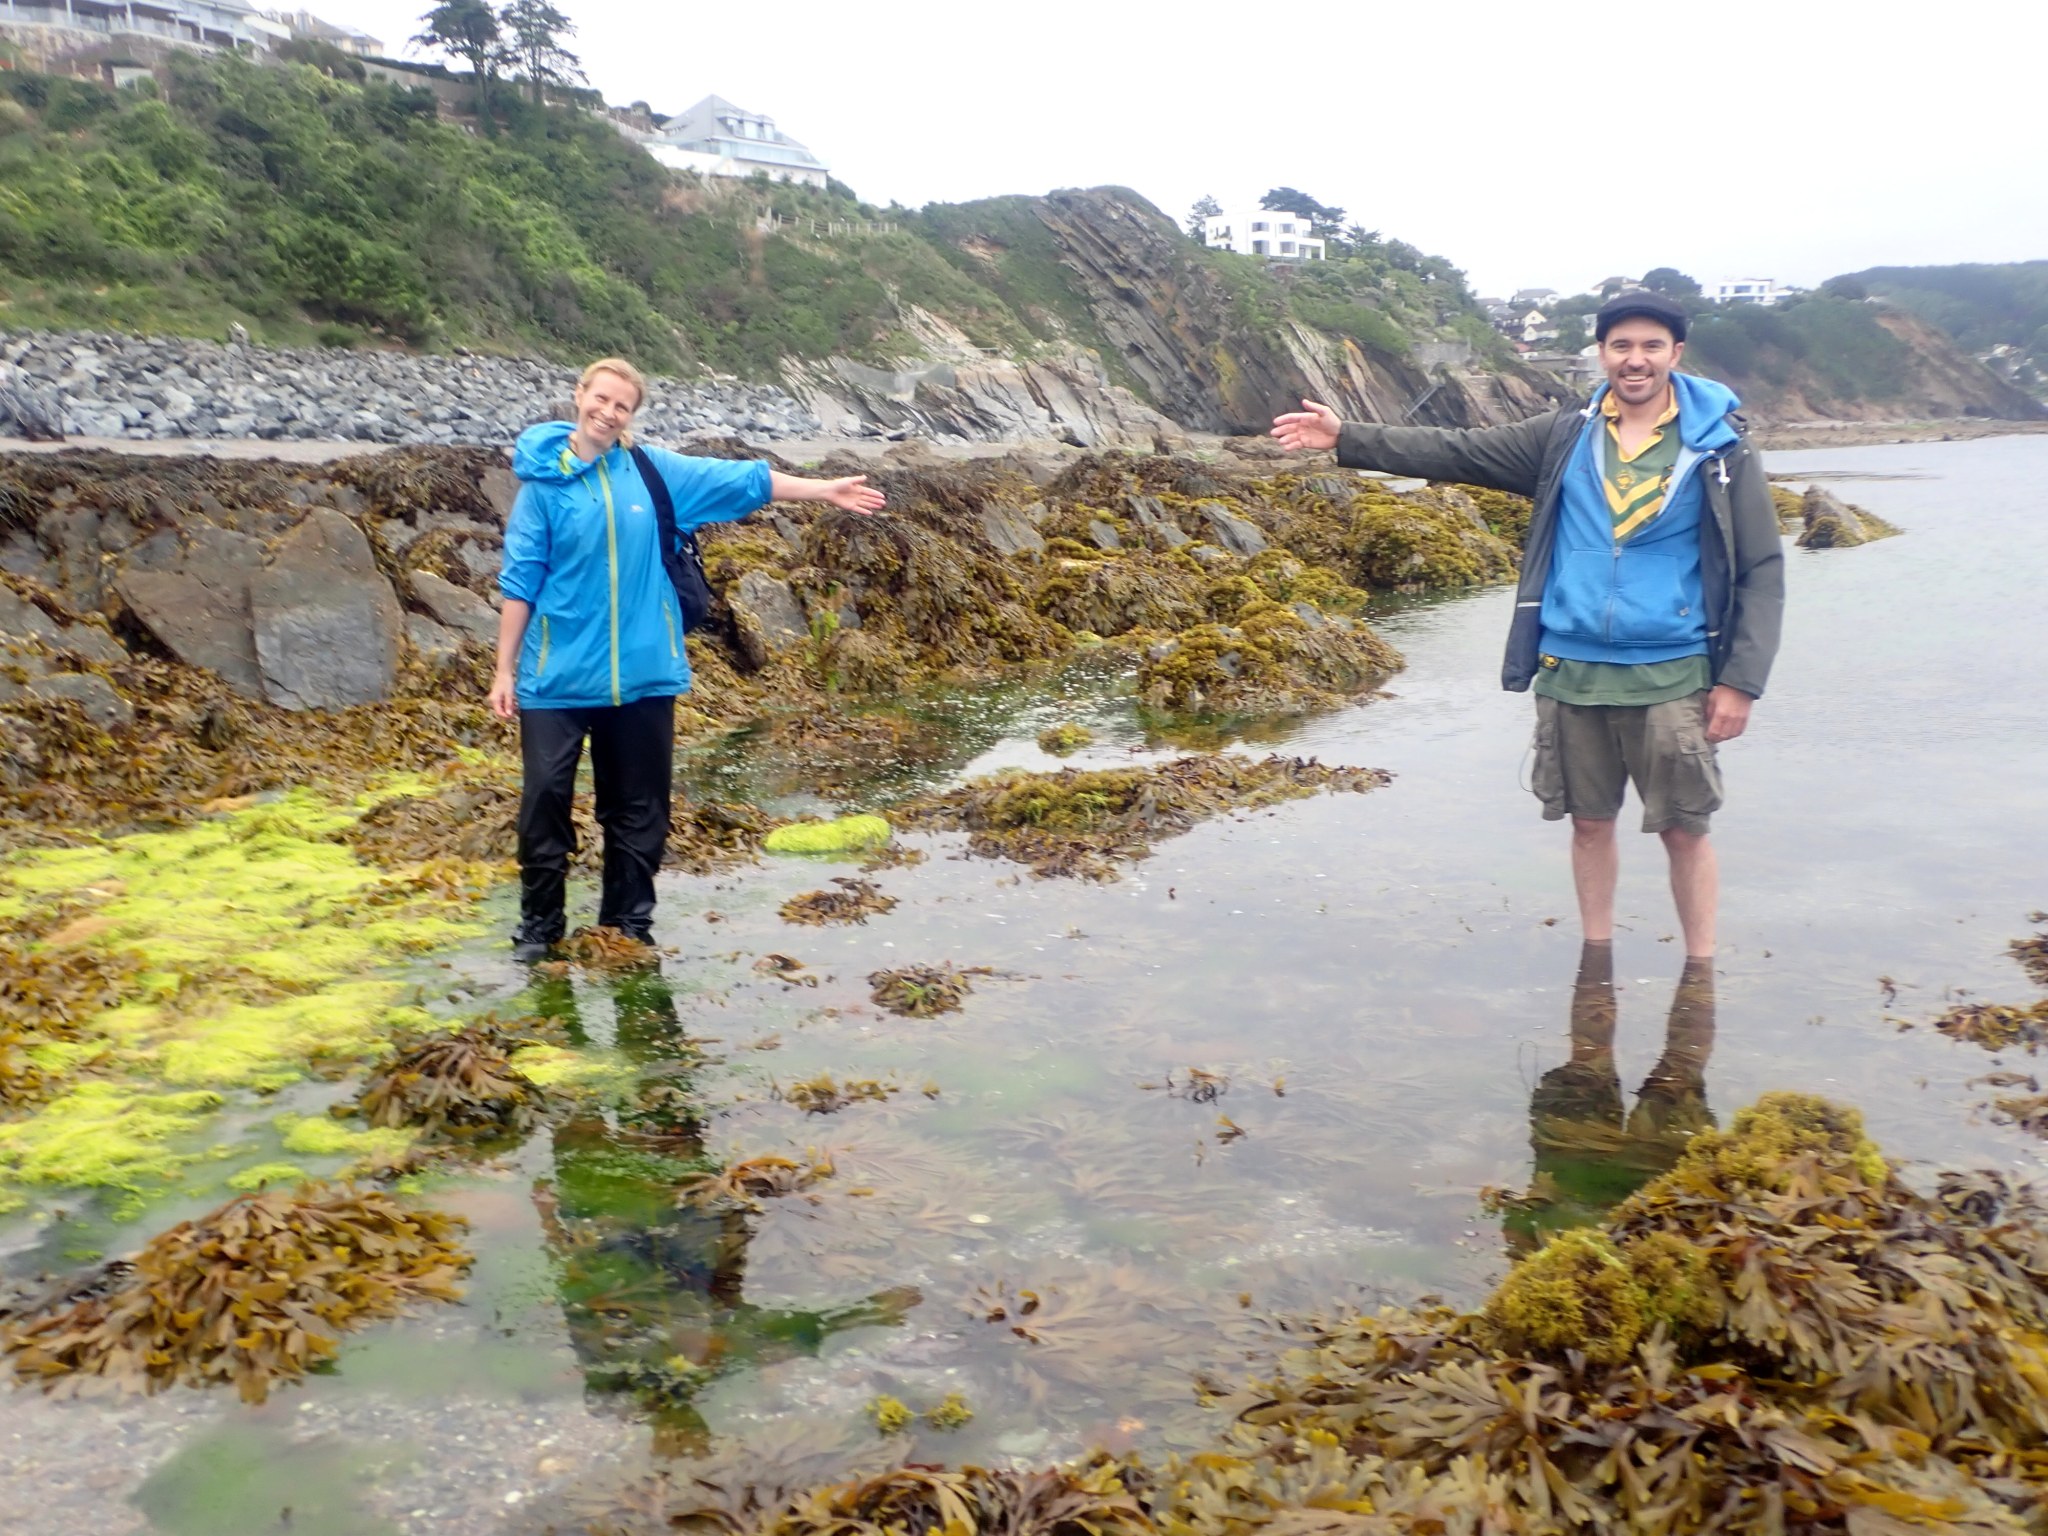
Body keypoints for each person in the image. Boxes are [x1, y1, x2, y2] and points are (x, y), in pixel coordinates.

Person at [1272, 292, 1783, 957]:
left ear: (1675, 354)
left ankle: (1701, 971)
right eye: (1621, 346)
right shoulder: (1562, 437)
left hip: (1674, 673)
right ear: (1601, 353)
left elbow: (1763, 568)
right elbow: (1458, 451)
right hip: (1570, 670)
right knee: (1589, 825)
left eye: (1651, 346)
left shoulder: (1719, 449)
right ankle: (1594, 965)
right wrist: (1348, 438)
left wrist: (1741, 680)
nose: (1635, 360)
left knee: (1685, 829)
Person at [489, 357, 885, 960]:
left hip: (645, 675)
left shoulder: (654, 473)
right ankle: (540, 931)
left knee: (640, 809)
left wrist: (822, 490)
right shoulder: (543, 485)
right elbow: (520, 582)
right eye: (601, 399)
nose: (608, 412)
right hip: (558, 677)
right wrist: (504, 669)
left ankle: (627, 926)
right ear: (579, 396)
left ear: (631, 415)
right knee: (544, 802)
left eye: (622, 405)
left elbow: (744, 480)